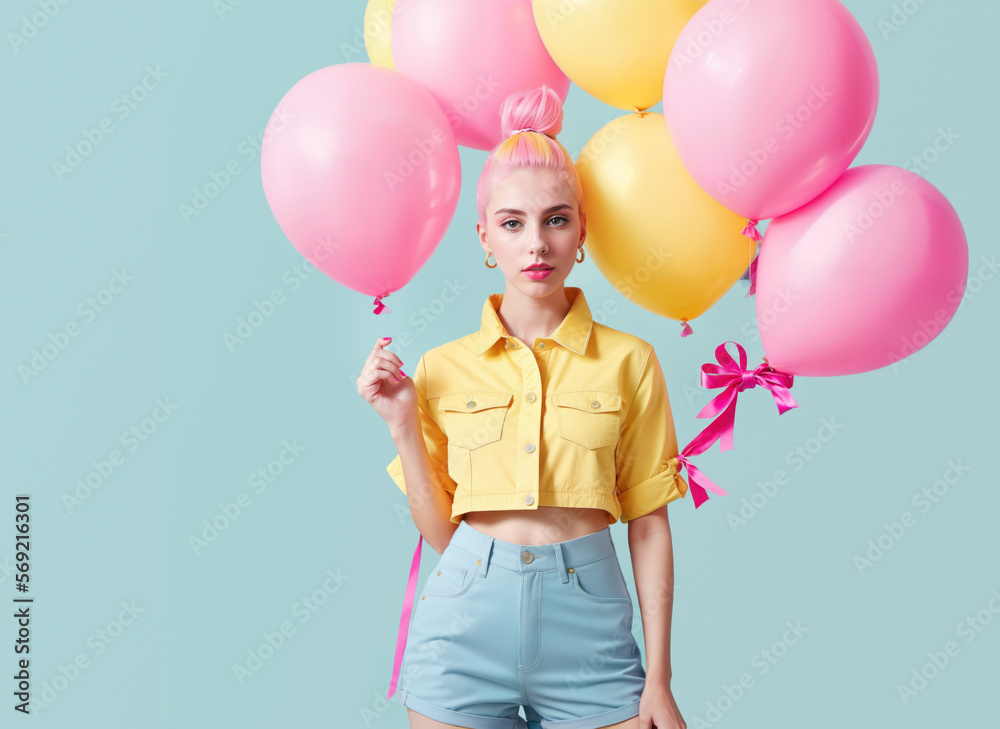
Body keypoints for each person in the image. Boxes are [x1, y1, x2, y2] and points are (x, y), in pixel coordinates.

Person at [358, 85, 689, 729]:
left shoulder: (632, 360)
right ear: (485, 236)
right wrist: (401, 424)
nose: (536, 243)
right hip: (463, 624)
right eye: (513, 224)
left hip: (589, 627)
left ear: (582, 231)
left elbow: (649, 525)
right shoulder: (440, 369)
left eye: (556, 219)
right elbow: (439, 533)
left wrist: (660, 680)